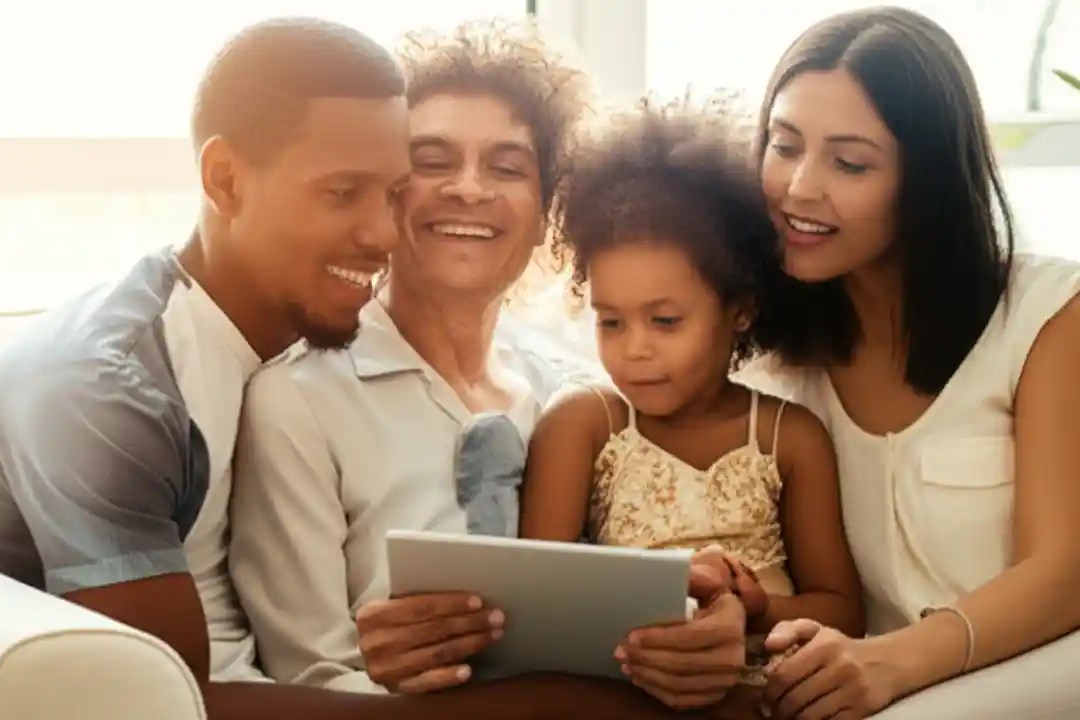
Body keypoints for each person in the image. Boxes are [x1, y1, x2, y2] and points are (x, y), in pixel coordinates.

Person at [0, 16, 654, 720]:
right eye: (345, 193)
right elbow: (164, 703)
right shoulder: (105, 391)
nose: (380, 233)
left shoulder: (561, 386)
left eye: (391, 192)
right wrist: (554, 702)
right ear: (225, 181)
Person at [229, 20, 687, 716]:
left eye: (507, 167)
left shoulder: (584, 391)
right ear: (386, 189)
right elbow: (309, 673)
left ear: (546, 211)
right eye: (432, 161)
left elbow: (651, 596)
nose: (470, 190)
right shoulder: (297, 398)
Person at [724, 7, 1080, 719]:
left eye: (849, 162)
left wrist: (891, 665)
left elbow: (1064, 576)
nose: (798, 188)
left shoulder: (1049, 313)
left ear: (930, 180)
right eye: (784, 145)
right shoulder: (765, 367)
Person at [518, 101, 864, 715]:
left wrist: (750, 614)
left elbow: (842, 608)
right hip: (626, 698)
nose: (635, 350)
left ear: (741, 309)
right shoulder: (582, 426)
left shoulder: (790, 436)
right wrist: (674, 607)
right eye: (610, 321)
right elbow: (539, 607)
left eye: (666, 320)